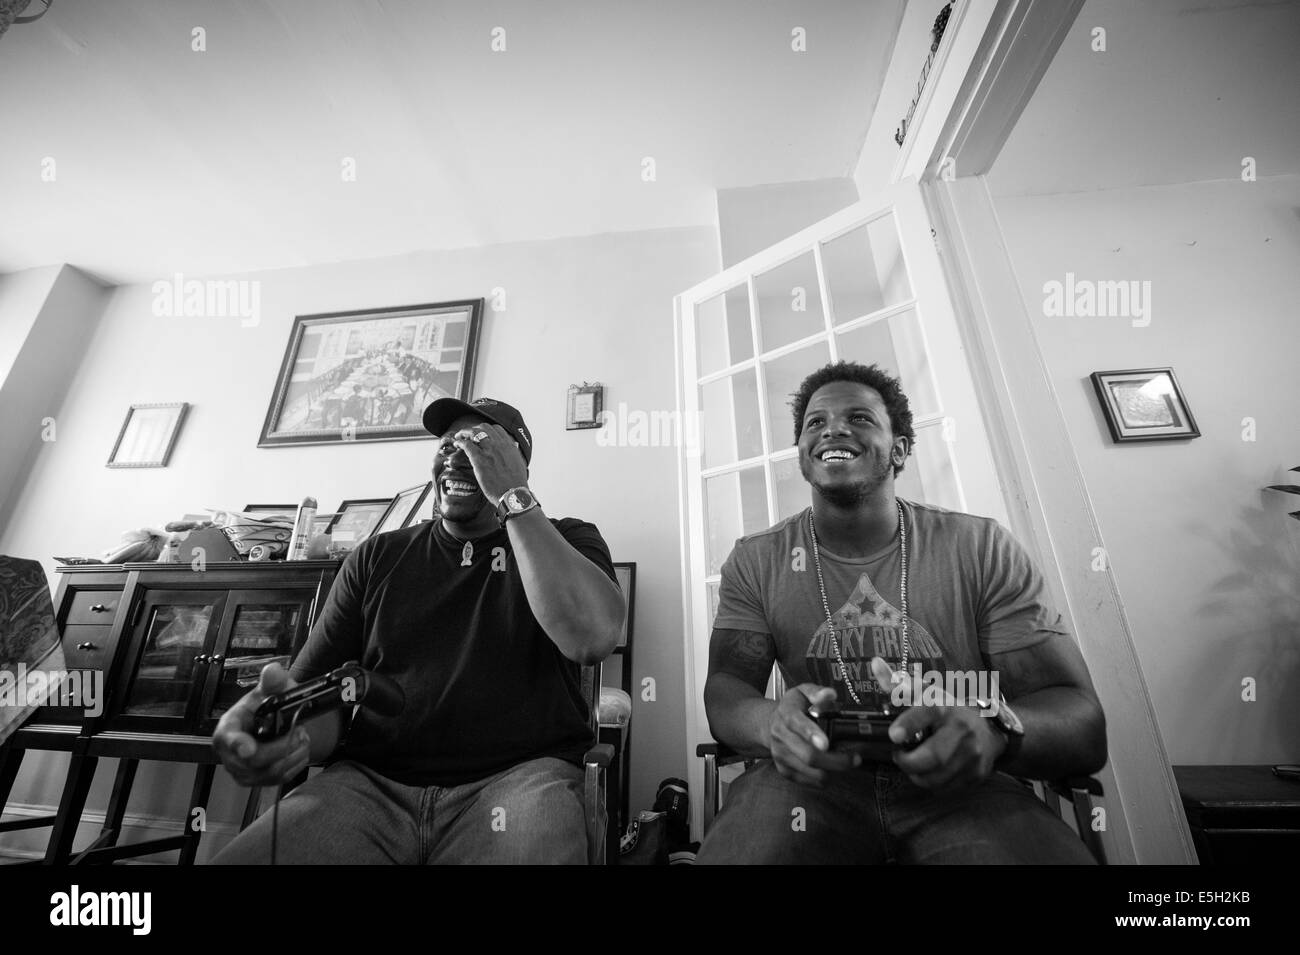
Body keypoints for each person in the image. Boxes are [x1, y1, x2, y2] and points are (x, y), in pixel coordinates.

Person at [696, 360, 1107, 865]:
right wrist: (770, 724)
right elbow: (726, 690)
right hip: (809, 782)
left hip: (963, 784)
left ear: (900, 449)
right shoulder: (757, 559)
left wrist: (996, 731)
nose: (833, 429)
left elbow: (1082, 722)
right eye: (815, 423)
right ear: (802, 455)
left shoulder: (978, 547)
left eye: (860, 418)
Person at [211, 397, 625, 864]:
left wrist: (514, 497)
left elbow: (591, 639)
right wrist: (289, 735)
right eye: (448, 443)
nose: (456, 453)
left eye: (478, 444)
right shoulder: (377, 556)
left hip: (521, 782)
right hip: (369, 786)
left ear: (515, 463)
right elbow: (315, 695)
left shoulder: (568, 539)